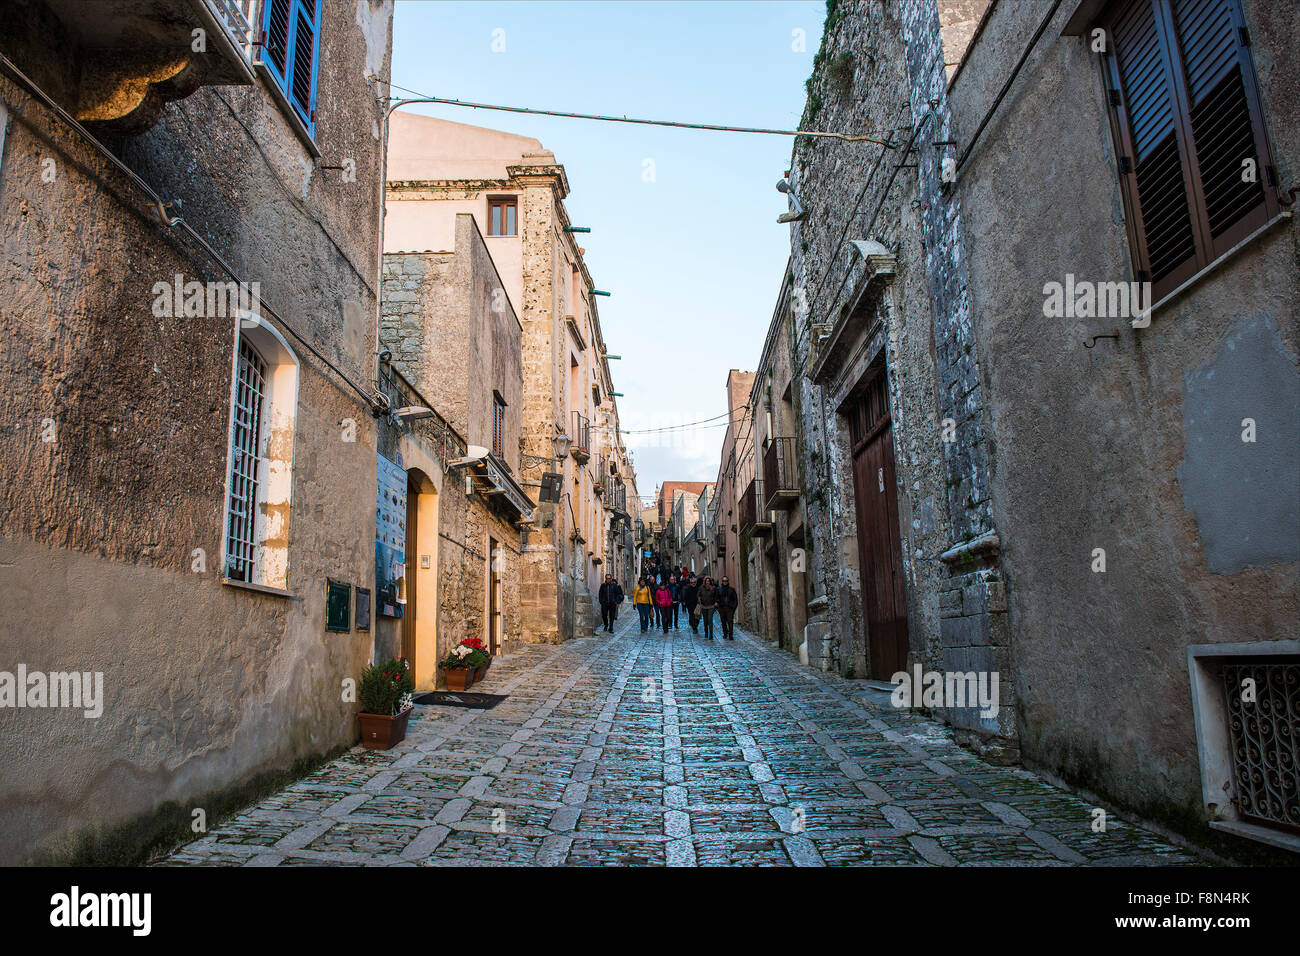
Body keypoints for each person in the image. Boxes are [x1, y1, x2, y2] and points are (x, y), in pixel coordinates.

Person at [716, 575, 739, 640]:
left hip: (729, 608)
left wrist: (733, 607)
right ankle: (725, 633)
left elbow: (735, 599)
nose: (725, 582)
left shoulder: (731, 589)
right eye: (723, 581)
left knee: (730, 621)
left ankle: (731, 635)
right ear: (722, 581)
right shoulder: (719, 589)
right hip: (722, 608)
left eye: (726, 581)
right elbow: (717, 598)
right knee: (723, 622)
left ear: (728, 581)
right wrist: (718, 607)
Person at [697, 576, 718, 640]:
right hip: (704, 606)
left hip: (711, 606)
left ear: (710, 582)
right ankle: (706, 632)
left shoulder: (713, 588)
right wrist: (699, 601)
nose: (707, 582)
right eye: (706, 581)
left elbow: (716, 596)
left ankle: (711, 634)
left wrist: (716, 602)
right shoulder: (701, 588)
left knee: (710, 620)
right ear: (705, 582)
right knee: (705, 621)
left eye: (708, 581)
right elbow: (698, 595)